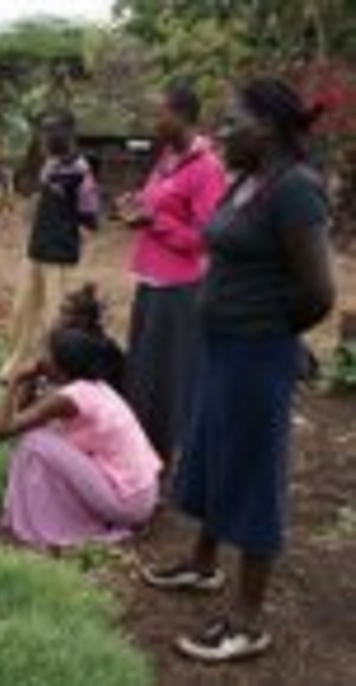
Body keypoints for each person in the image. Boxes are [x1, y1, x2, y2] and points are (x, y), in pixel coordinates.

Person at [142, 78, 335, 664]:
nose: (220, 131)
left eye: (232, 122)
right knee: (208, 454)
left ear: (268, 129)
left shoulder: (296, 190)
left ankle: (247, 621)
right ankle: (203, 565)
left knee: (251, 472)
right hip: (221, 346)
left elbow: (318, 293)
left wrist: (268, 330)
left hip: (255, 354)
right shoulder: (249, 182)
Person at [121, 84, 227, 466]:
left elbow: (206, 237)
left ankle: (175, 455)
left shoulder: (207, 168)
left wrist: (156, 221)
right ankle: (144, 453)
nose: (155, 121)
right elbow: (155, 207)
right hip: (149, 279)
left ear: (182, 116)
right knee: (144, 372)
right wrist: (138, 210)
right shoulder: (165, 159)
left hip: (180, 287)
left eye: (160, 113)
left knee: (171, 376)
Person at [0, 329, 162, 549]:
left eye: (46, 354)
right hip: (141, 495)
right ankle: (59, 511)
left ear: (61, 366)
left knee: (34, 441)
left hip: (127, 504)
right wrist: (30, 382)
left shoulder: (69, 398)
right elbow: (25, 414)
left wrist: (15, 381)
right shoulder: (93, 387)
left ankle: (52, 523)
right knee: (45, 436)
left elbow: (1, 430)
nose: (40, 359)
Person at [0, 110, 100, 383]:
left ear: (68, 135)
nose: (46, 137)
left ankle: (53, 372)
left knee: (55, 317)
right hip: (36, 250)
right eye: (44, 131)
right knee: (23, 312)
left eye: (52, 131)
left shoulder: (81, 172)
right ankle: (17, 367)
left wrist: (73, 222)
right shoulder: (50, 165)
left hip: (60, 257)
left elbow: (91, 219)